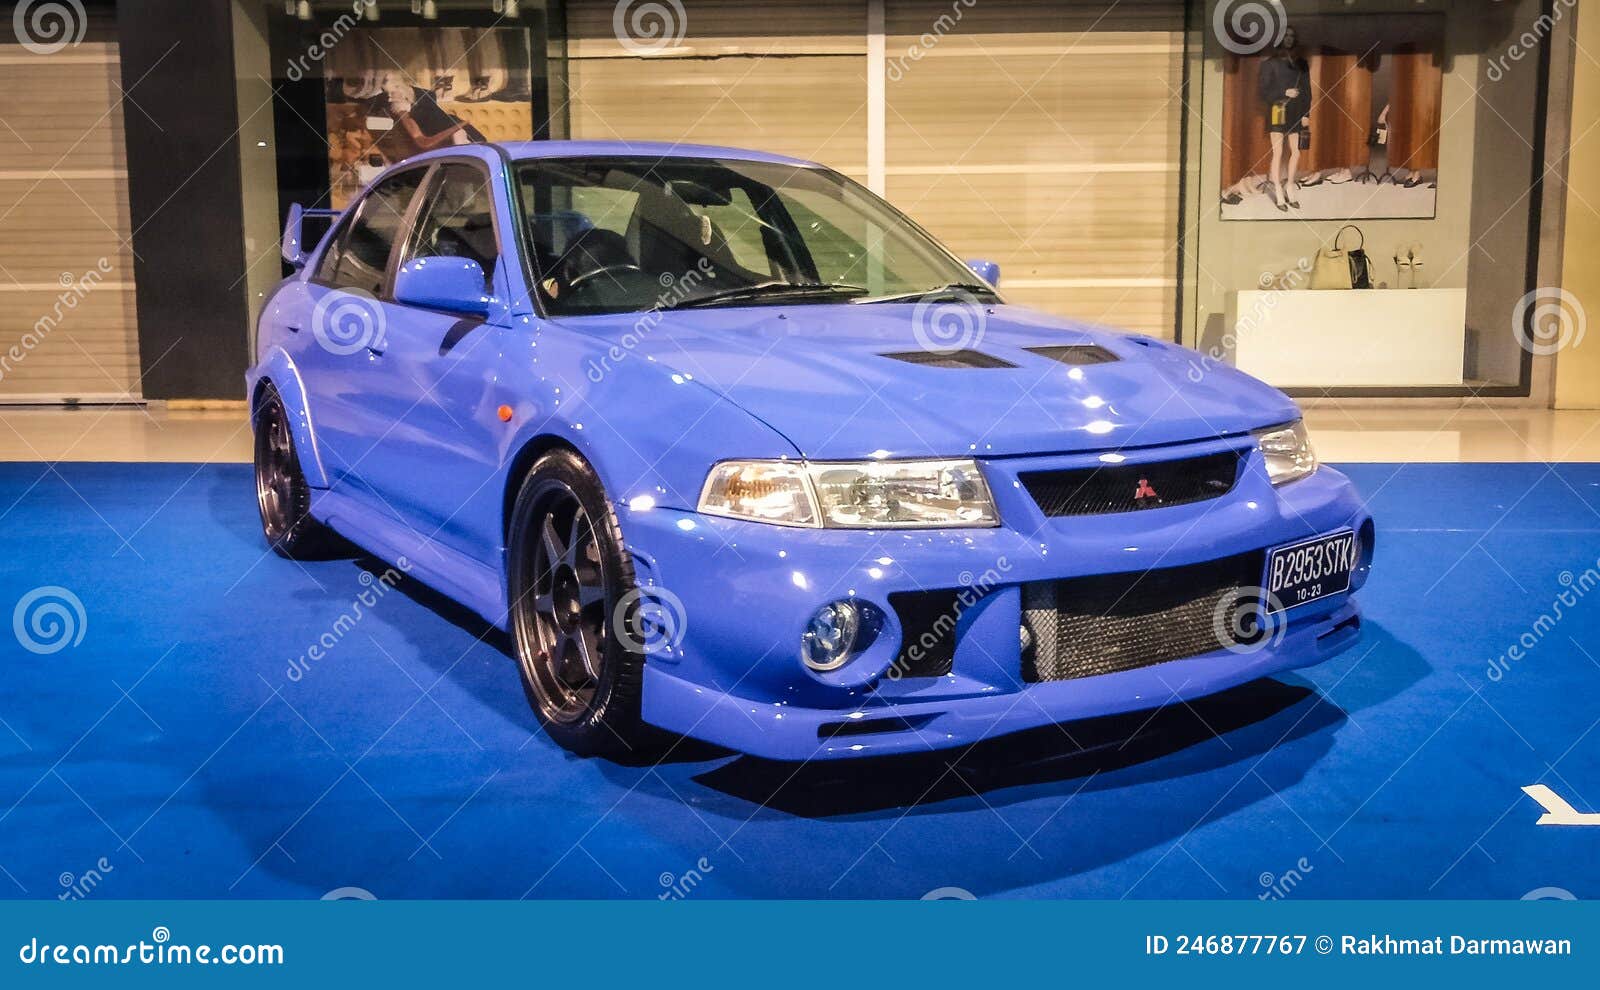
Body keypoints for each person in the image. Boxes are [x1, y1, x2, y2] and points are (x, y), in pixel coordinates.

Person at [1259, 28, 1312, 211]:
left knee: (1296, 152)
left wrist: (1306, 114)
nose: (1289, 39)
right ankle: (1278, 191)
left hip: (1296, 111)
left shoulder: (1302, 63)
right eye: (1285, 36)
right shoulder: (1269, 64)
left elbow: (1307, 91)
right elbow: (1263, 92)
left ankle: (1289, 186)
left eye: (1292, 36)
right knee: (1278, 152)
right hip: (1277, 110)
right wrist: (1283, 92)